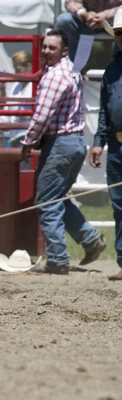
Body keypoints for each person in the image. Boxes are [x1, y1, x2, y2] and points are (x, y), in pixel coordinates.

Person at [19, 30, 105, 274]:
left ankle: (57, 259)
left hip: (60, 143)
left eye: (52, 48)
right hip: (75, 142)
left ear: (64, 50)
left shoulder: (55, 76)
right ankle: (90, 239)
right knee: (55, 198)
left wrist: (27, 143)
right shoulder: (71, 71)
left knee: (47, 201)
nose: (46, 51)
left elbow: (42, 115)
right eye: (44, 47)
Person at [90, 9, 122, 281]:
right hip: (117, 145)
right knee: (119, 205)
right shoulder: (112, 69)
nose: (121, 38)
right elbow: (103, 109)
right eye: (119, 34)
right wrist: (98, 142)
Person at [54, 0, 122, 61]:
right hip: (87, 21)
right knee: (64, 21)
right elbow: (71, 2)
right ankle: (71, 67)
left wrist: (106, 15)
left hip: (115, 21)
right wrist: (85, 14)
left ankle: (118, 65)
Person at [0, 50, 33, 148]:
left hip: (28, 136)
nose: (16, 73)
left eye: (18, 69)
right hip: (14, 137)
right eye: (15, 69)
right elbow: (7, 112)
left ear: (29, 66)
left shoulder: (36, 85)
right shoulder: (16, 86)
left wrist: (25, 116)